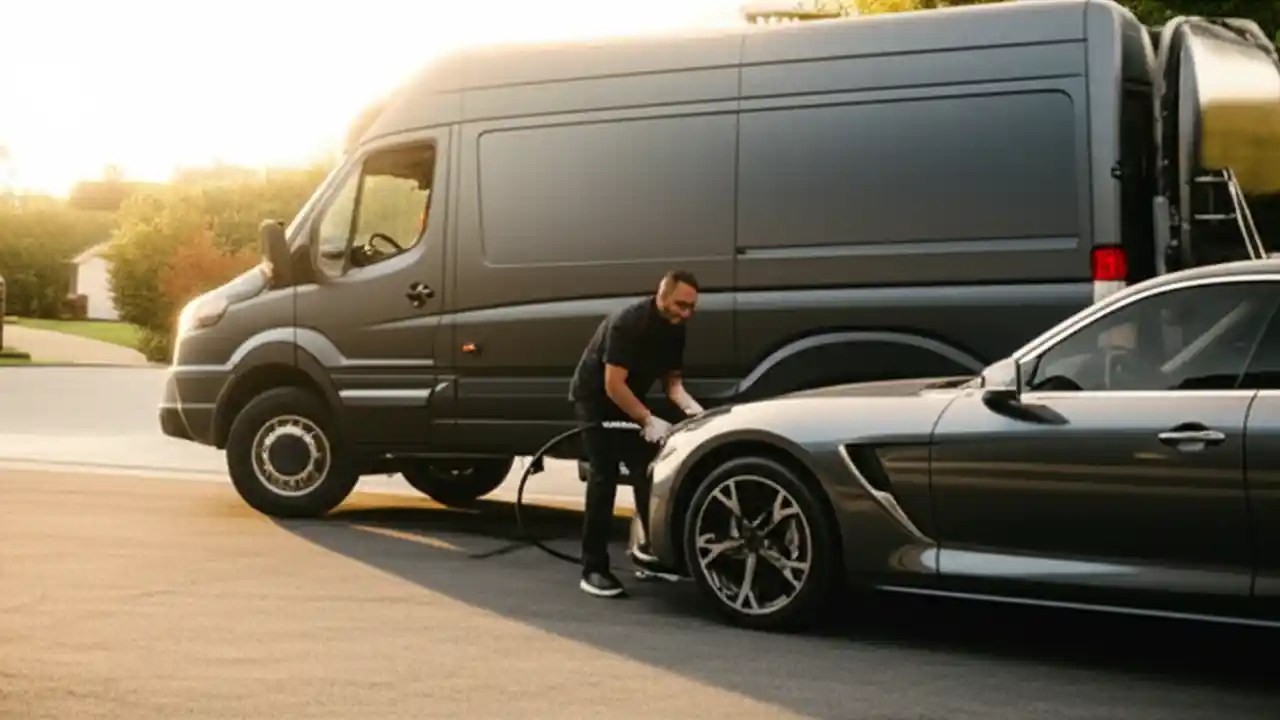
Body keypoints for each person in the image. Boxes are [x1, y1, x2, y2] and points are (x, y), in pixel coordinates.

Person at [567, 270, 705, 598]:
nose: (686, 313)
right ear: (662, 295)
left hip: (630, 401)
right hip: (596, 400)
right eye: (681, 305)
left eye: (691, 308)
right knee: (605, 475)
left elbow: (672, 382)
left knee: (649, 473)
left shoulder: (675, 329)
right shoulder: (628, 323)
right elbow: (613, 385)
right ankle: (593, 569)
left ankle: (649, 556)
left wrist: (693, 410)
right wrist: (647, 420)